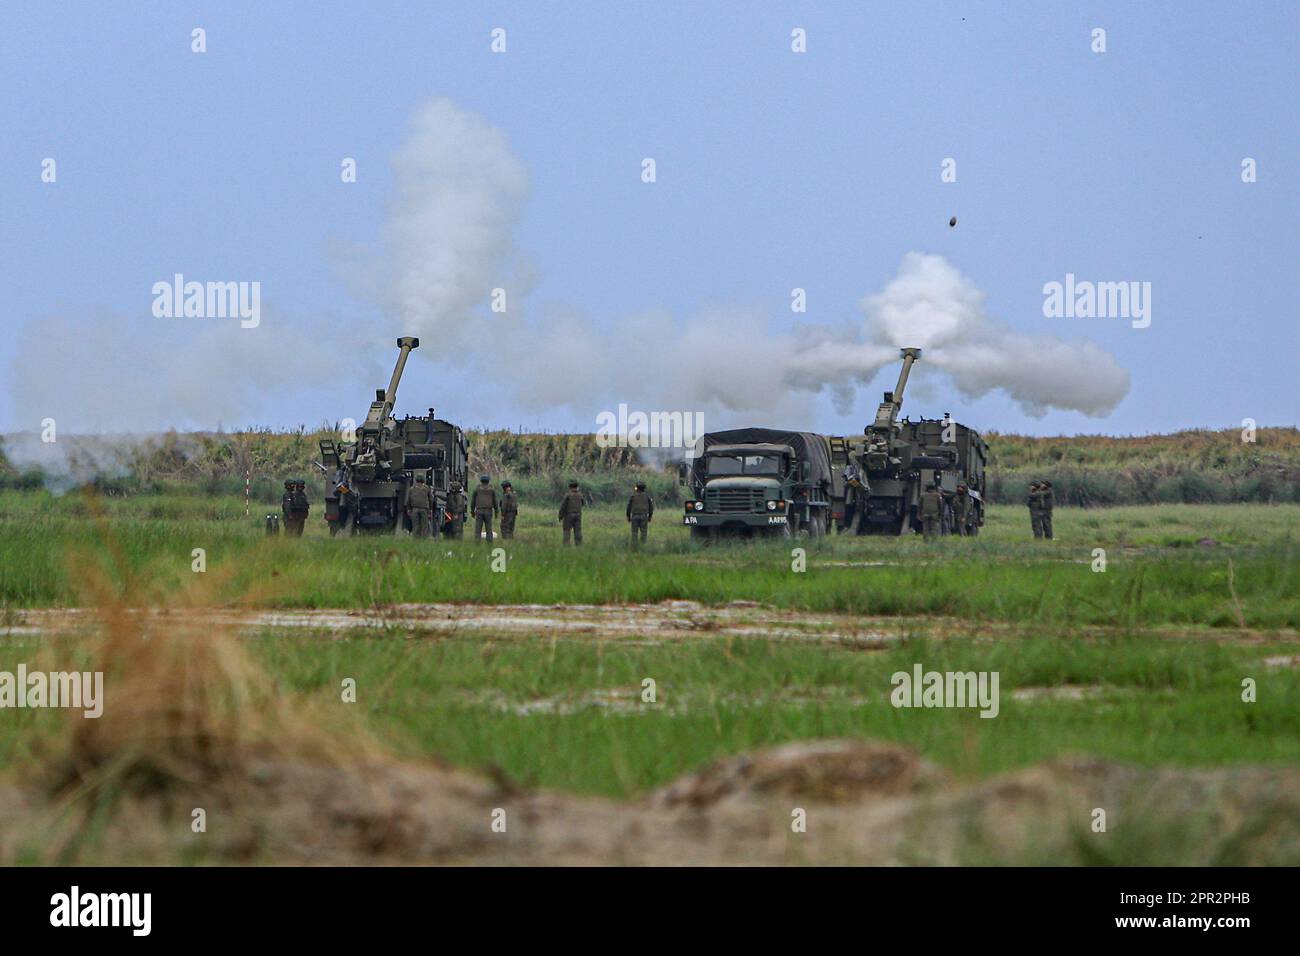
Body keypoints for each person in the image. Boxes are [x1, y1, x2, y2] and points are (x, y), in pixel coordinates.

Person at [626, 481, 654, 548]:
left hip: (635, 516)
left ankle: (634, 546)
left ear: (637, 488)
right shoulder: (647, 496)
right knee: (644, 532)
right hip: (644, 516)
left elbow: (628, 507)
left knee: (634, 532)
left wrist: (628, 516)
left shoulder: (633, 496)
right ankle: (642, 546)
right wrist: (650, 516)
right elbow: (651, 507)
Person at [471, 475, 499, 542]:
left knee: (478, 529)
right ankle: (489, 543)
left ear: (481, 481)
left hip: (479, 510)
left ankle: (477, 543)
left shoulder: (477, 490)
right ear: (488, 481)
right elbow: (495, 502)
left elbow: (473, 501)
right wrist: (496, 511)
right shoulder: (492, 490)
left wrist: (472, 511)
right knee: (489, 528)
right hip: (488, 511)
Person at [558, 480, 583, 546]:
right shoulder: (580, 495)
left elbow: (563, 506)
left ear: (570, 488)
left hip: (569, 516)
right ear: (577, 487)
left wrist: (560, 516)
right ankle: (579, 546)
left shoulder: (568, 495)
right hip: (578, 515)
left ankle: (566, 546)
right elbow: (582, 504)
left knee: (567, 531)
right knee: (578, 531)